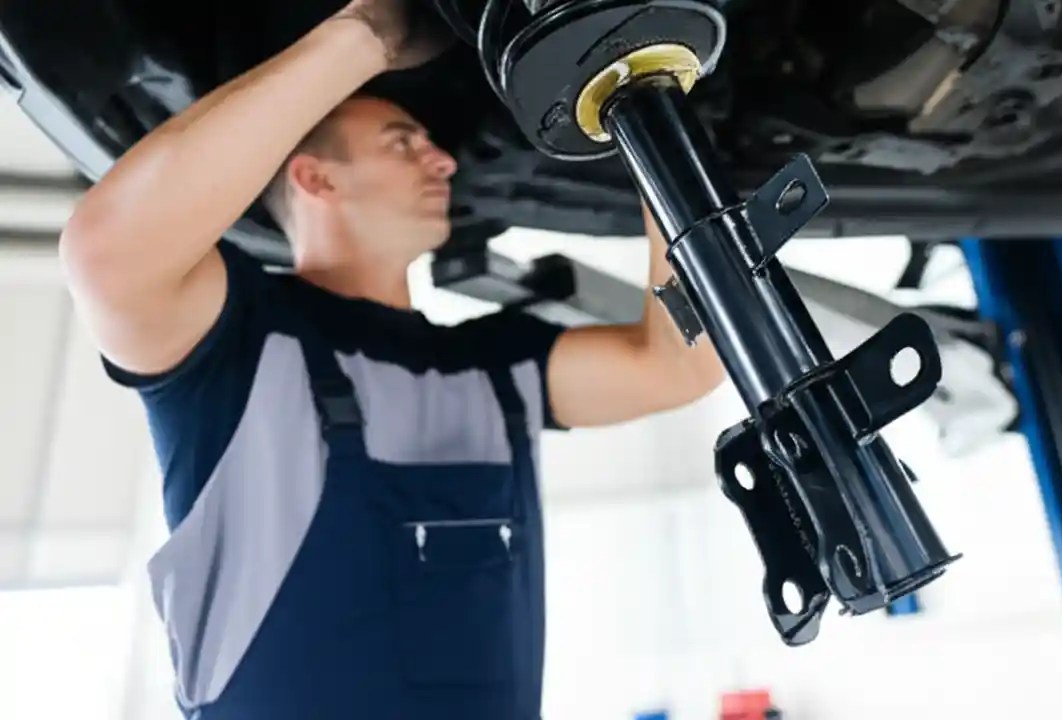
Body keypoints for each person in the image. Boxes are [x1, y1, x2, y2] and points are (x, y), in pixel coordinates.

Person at [57, 0, 724, 717]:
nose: (441, 158)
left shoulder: (493, 369)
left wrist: (655, 121)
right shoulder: (235, 350)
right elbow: (106, 255)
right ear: (316, 179)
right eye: (402, 142)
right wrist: (372, 32)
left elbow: (675, 364)